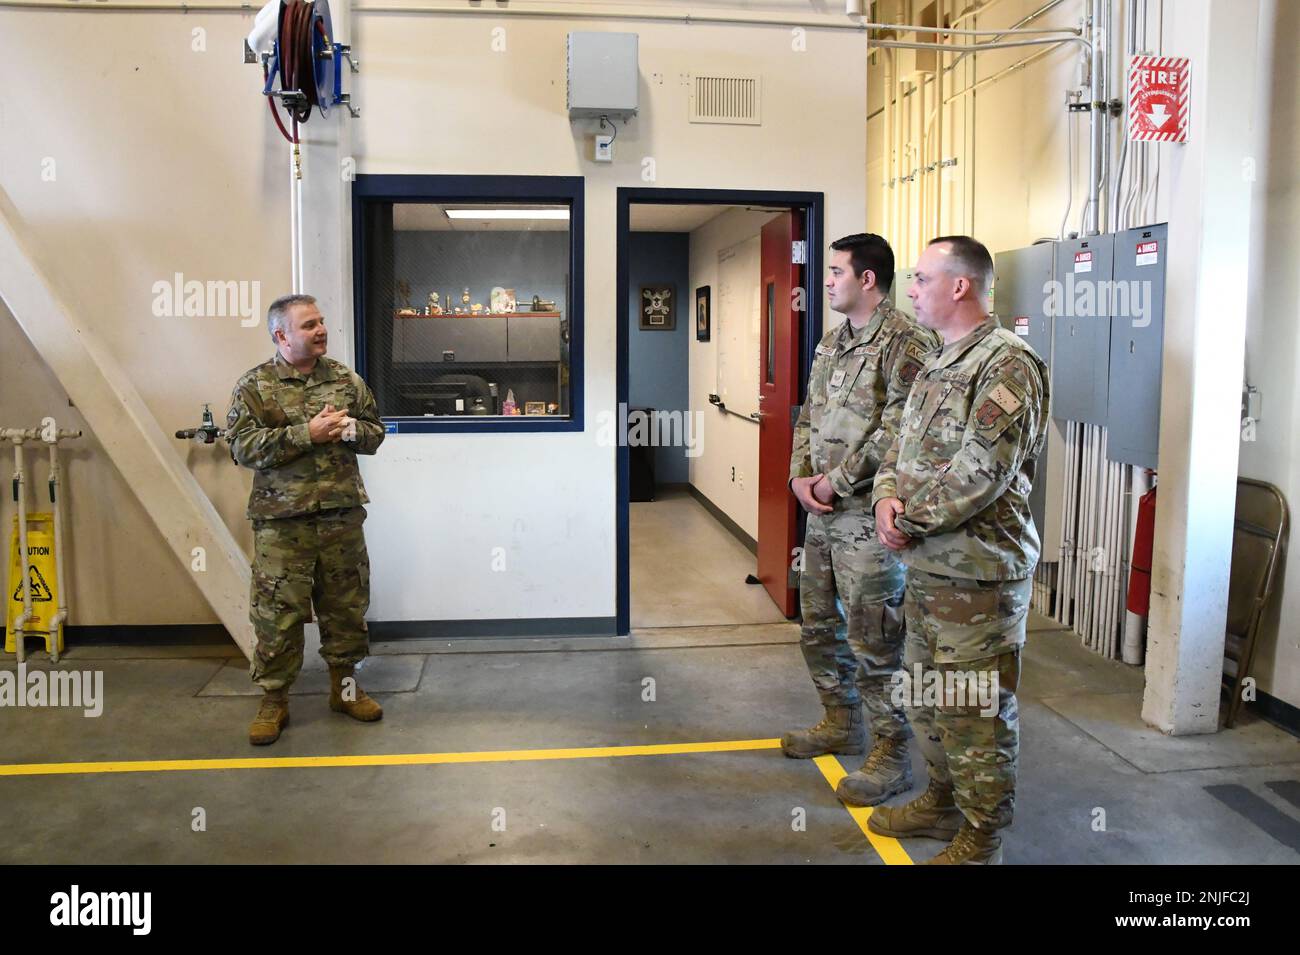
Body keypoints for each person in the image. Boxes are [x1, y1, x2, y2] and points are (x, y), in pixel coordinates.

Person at [869, 236, 1049, 864]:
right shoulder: (937, 363)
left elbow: (983, 471)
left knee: (975, 715)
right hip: (926, 570)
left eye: (920, 279)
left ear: (960, 286)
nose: (910, 290)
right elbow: (899, 447)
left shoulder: (1007, 363)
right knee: (923, 697)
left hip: (978, 578)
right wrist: (884, 501)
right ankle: (942, 802)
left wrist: (907, 519)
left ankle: (982, 837)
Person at [784, 233, 939, 807]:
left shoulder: (907, 343)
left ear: (867, 279)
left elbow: (899, 428)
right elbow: (808, 415)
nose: (825, 281)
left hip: (869, 519)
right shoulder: (832, 342)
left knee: (875, 640)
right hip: (821, 516)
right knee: (819, 628)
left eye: (835, 272)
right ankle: (839, 722)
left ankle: (892, 754)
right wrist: (800, 477)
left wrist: (835, 482)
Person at [226, 293, 387, 745]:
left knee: (345, 606)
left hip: (340, 516)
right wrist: (306, 434)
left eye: (321, 322)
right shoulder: (254, 386)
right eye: (309, 325)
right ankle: (275, 700)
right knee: (278, 614)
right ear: (281, 335)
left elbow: (376, 432)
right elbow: (241, 448)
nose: (321, 330)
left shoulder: (343, 380)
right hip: (282, 523)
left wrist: (353, 429)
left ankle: (345, 688)